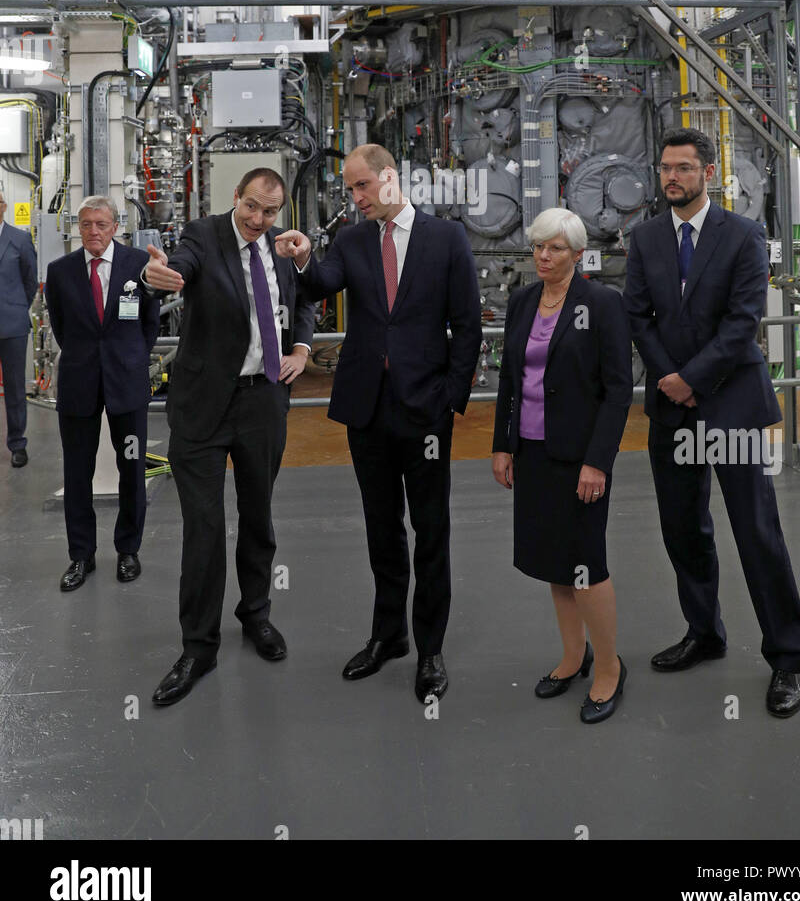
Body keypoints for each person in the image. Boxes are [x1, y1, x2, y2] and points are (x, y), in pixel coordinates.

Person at [277, 144, 482, 704]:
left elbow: (467, 326)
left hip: (426, 411)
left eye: (362, 186)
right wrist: (300, 258)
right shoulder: (351, 241)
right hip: (367, 409)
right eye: (351, 189)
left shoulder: (446, 240)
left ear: (391, 179)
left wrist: (451, 399)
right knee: (381, 528)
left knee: (431, 530)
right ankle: (388, 635)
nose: (356, 198)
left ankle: (430, 648)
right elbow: (320, 284)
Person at [623, 127, 800, 718]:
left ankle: (786, 657)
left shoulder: (744, 236)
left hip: (732, 406)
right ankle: (704, 632)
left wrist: (691, 379)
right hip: (672, 410)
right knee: (683, 529)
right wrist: (667, 379)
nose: (671, 177)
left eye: (683, 167)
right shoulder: (646, 237)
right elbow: (637, 315)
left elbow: (742, 322)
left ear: (708, 171)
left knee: (757, 531)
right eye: (665, 168)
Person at [141, 168, 316, 707]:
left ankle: (256, 615)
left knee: (259, 516)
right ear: (235, 198)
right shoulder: (203, 235)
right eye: (252, 209)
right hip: (203, 407)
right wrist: (160, 276)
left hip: (263, 401)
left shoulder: (281, 248)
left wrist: (302, 350)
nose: (259, 221)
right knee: (205, 527)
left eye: (270, 212)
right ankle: (199, 646)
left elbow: (303, 300)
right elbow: (181, 266)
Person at [491, 208, 633, 724]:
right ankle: (574, 657)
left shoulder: (602, 305)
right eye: (537, 248)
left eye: (554, 249)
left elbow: (618, 391)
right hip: (531, 453)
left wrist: (598, 462)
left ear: (576, 254)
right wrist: (502, 445)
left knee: (585, 565)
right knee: (554, 563)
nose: (543, 257)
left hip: (579, 460)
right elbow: (510, 380)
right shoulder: (524, 300)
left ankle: (610, 669)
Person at [44, 196, 160, 591]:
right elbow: (60, 326)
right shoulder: (60, 272)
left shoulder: (137, 266)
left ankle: (128, 550)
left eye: (102, 224)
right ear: (79, 227)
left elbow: (150, 324)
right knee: (78, 473)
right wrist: (87, 357)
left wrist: (128, 359)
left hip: (126, 387)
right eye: (87, 224)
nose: (94, 231)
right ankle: (81, 556)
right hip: (80, 387)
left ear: (115, 226)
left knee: (131, 469)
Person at [0, 188, 38, 468]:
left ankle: (18, 444)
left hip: (12, 324)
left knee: (14, 387)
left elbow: (30, 281)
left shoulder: (20, 239)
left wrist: (15, 307)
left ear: (3, 206)